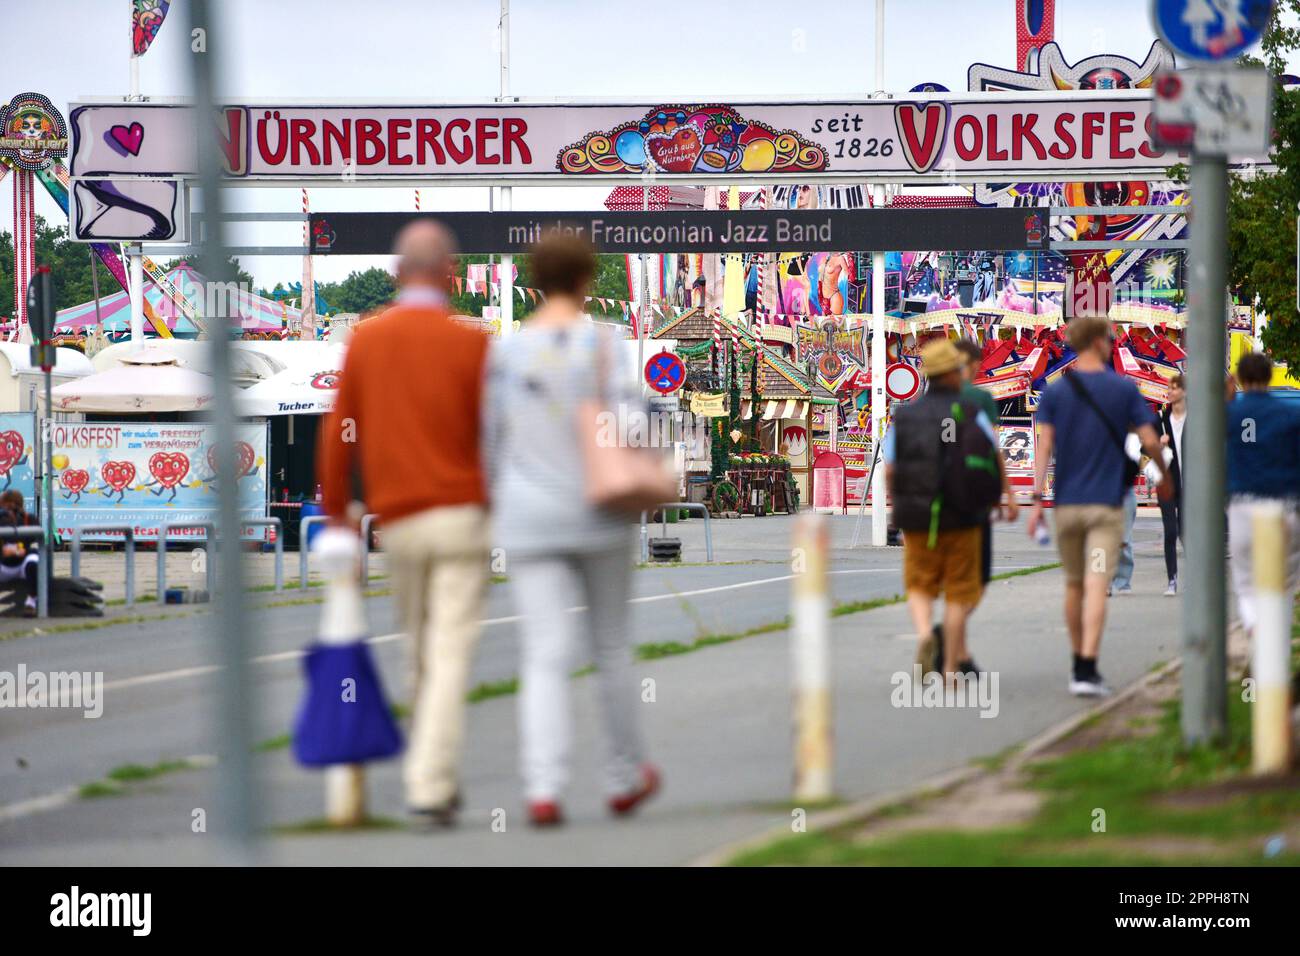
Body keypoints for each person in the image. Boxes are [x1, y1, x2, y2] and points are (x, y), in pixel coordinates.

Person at [317, 219, 491, 829]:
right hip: (464, 514)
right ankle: (429, 781)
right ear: (451, 277)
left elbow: (338, 432)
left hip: (401, 521)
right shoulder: (474, 345)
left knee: (420, 648)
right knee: (448, 652)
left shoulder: (367, 341)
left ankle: (429, 775)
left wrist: (337, 514)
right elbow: (494, 438)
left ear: (396, 275)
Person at [484, 232, 659, 827]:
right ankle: (623, 774)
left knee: (544, 653)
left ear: (534, 280)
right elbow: (631, 426)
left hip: (528, 517)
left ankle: (543, 787)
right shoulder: (604, 344)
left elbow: (489, 441)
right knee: (611, 646)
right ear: (588, 281)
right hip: (600, 513)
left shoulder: (505, 354)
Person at [1027, 317, 1170, 696]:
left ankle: (1078, 661)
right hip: (1105, 507)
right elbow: (1148, 438)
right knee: (1095, 583)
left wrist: (1038, 497)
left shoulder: (1055, 393)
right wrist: (1163, 472)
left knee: (1074, 586)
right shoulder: (1123, 390)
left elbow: (1043, 447)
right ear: (1098, 342)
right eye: (1108, 339)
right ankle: (1087, 667)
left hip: (1068, 507)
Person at [887, 338, 1014, 683]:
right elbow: (992, 455)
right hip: (964, 515)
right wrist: (1003, 497)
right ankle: (949, 670)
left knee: (920, 584)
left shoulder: (906, 416)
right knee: (959, 591)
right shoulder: (971, 412)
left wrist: (897, 505)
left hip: (918, 517)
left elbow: (890, 468)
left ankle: (926, 633)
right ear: (955, 373)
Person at [1225, 352, 1300, 644]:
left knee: (1245, 583)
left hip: (1243, 505)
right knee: (1284, 582)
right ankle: (1276, 646)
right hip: (1286, 507)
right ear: (1270, 377)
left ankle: (1257, 629)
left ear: (1240, 378)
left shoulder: (1229, 415)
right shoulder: (1291, 415)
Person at [954, 338, 1017, 594]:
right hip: (976, 482)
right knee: (979, 562)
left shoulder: (932, 397)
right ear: (974, 364)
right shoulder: (981, 398)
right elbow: (993, 447)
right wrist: (1007, 493)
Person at [1154, 373, 1186, 596]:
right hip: (1166, 483)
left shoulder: (1195, 419)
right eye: (1169, 388)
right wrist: (1158, 444)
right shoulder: (1160, 421)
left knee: (1187, 532)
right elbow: (1146, 452)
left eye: (1175, 388)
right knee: (1170, 531)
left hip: (1190, 484)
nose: (1170, 391)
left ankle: (1196, 577)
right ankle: (1171, 580)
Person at [0, 490, 39, 616]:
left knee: (34, 559)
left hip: (23, 563)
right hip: (3, 564)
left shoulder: (29, 519)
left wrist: (21, 549)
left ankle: (31, 603)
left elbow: (37, 536)